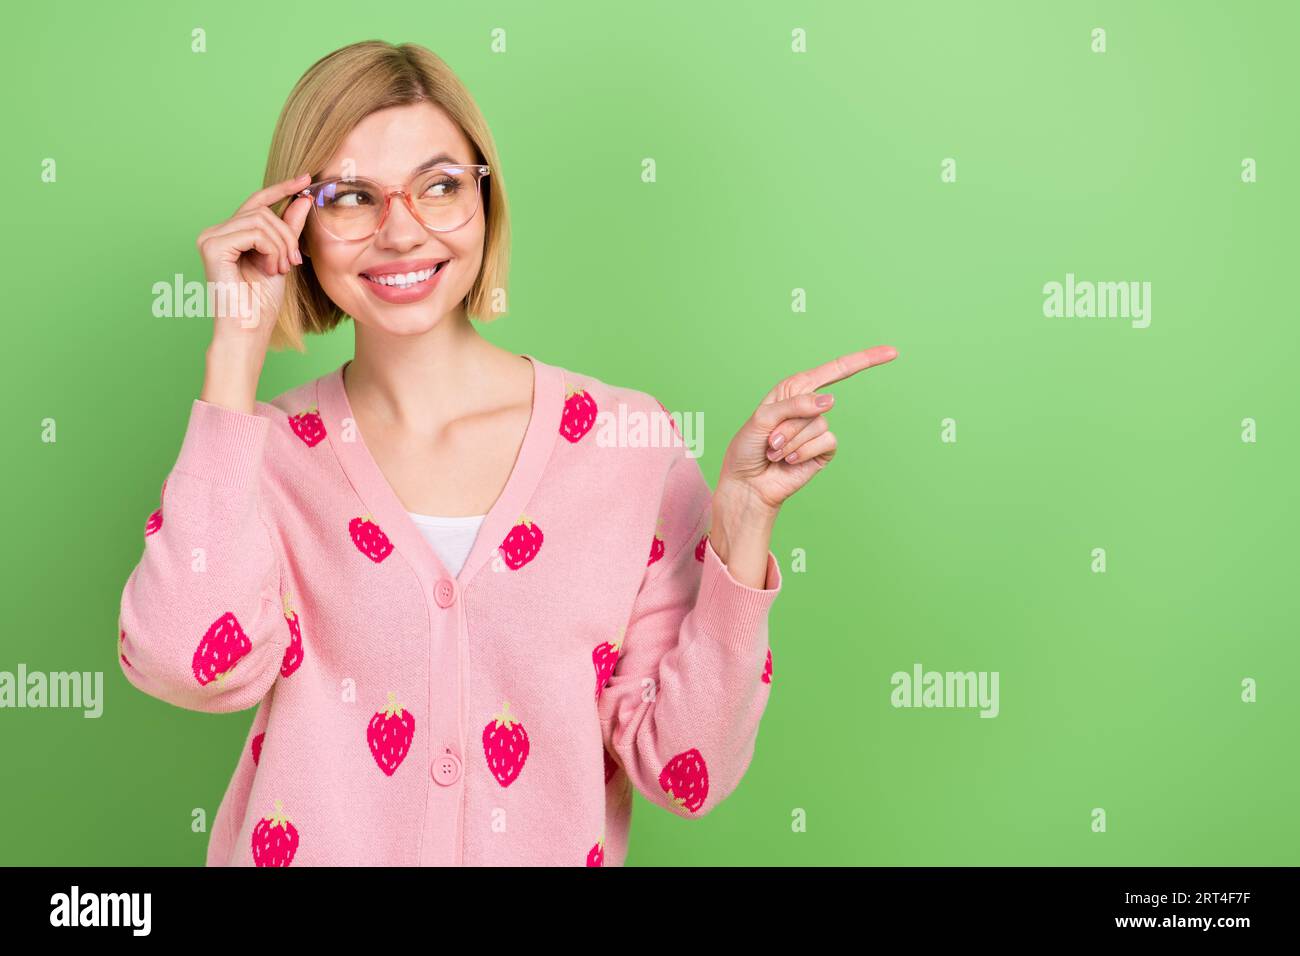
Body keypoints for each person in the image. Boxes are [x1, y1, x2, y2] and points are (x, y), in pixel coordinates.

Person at [117, 39, 898, 866]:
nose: (401, 230)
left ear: (485, 200)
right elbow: (185, 664)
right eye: (352, 198)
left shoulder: (625, 442)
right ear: (297, 225)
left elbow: (683, 771)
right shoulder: (260, 455)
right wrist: (236, 351)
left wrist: (740, 524)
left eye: (440, 186)